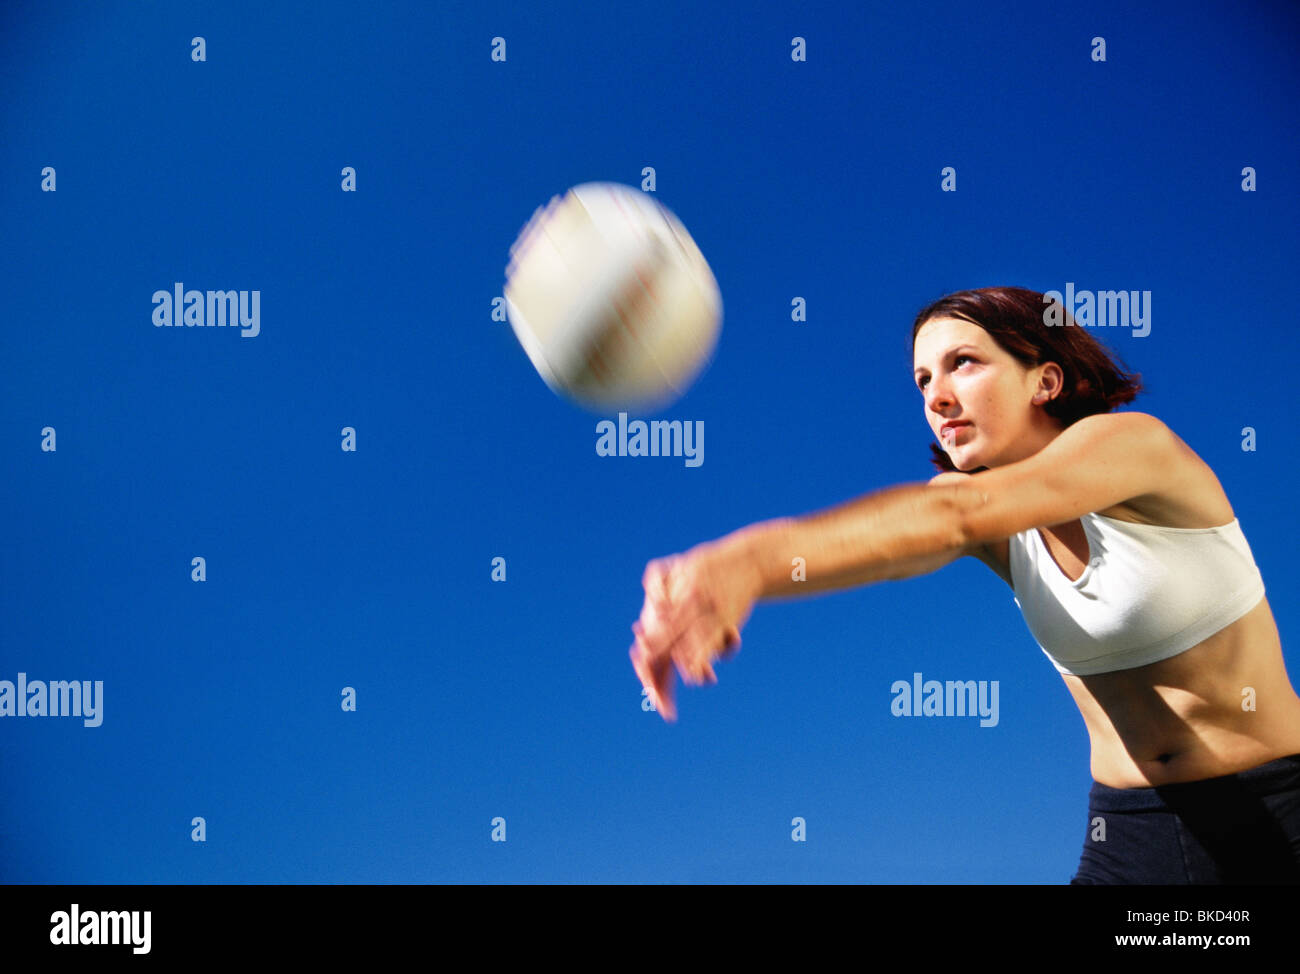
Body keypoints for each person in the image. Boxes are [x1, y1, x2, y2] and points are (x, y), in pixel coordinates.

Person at [628, 285, 1300, 884]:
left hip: (1281, 813)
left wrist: (749, 560)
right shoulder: (992, 523)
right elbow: (919, 531)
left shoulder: (1134, 446)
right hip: (1131, 836)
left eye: (963, 364)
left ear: (1044, 380)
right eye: (921, 380)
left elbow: (954, 518)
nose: (936, 396)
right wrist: (737, 576)